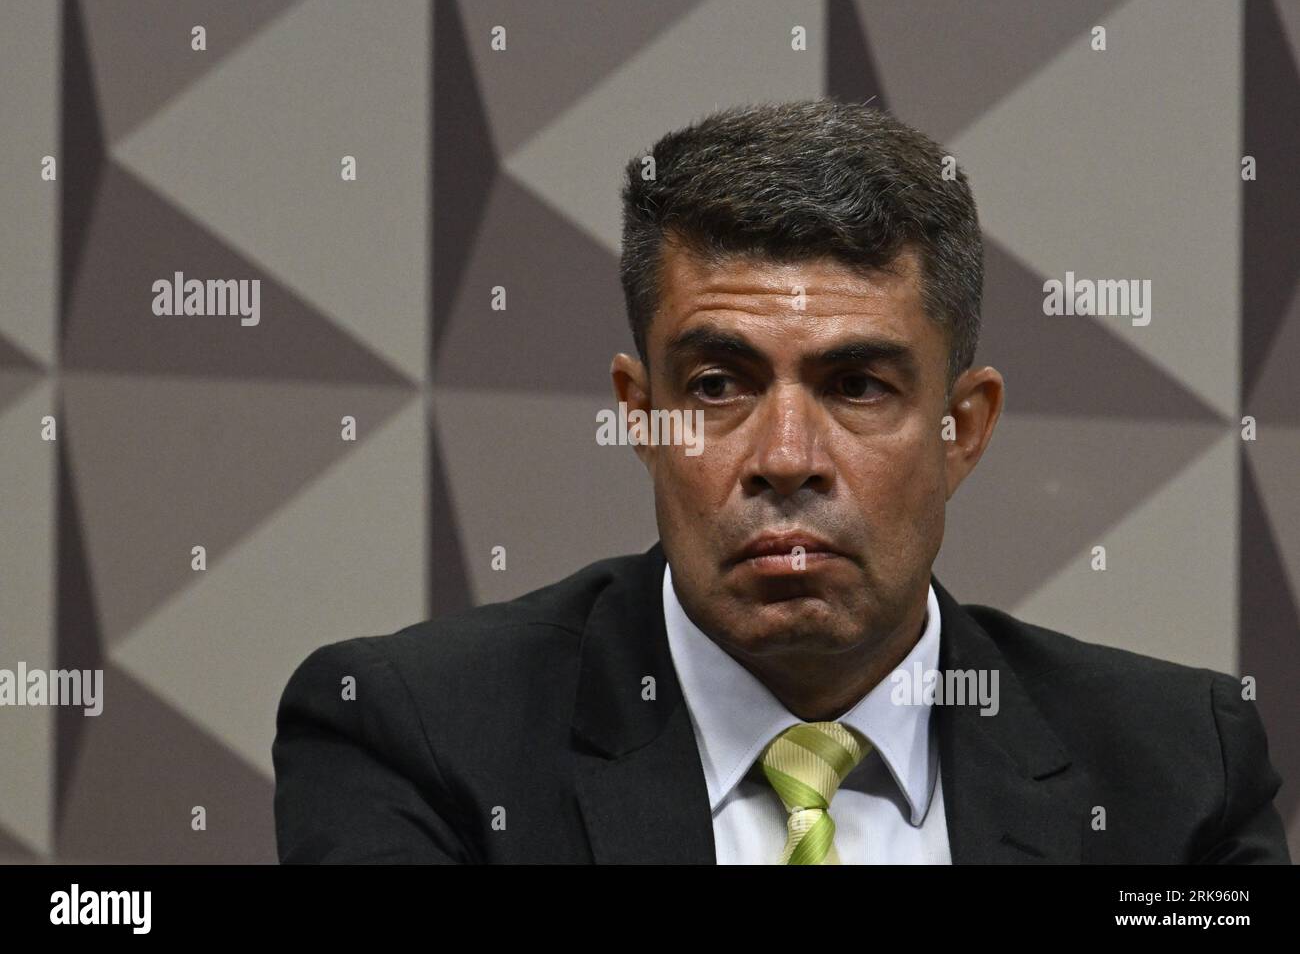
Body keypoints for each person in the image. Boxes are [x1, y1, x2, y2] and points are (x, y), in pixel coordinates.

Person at [272, 99, 1290, 864]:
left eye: (855, 385)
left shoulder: (1175, 774)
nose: (785, 457)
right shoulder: (414, 736)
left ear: (961, 427)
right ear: (642, 414)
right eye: (717, 384)